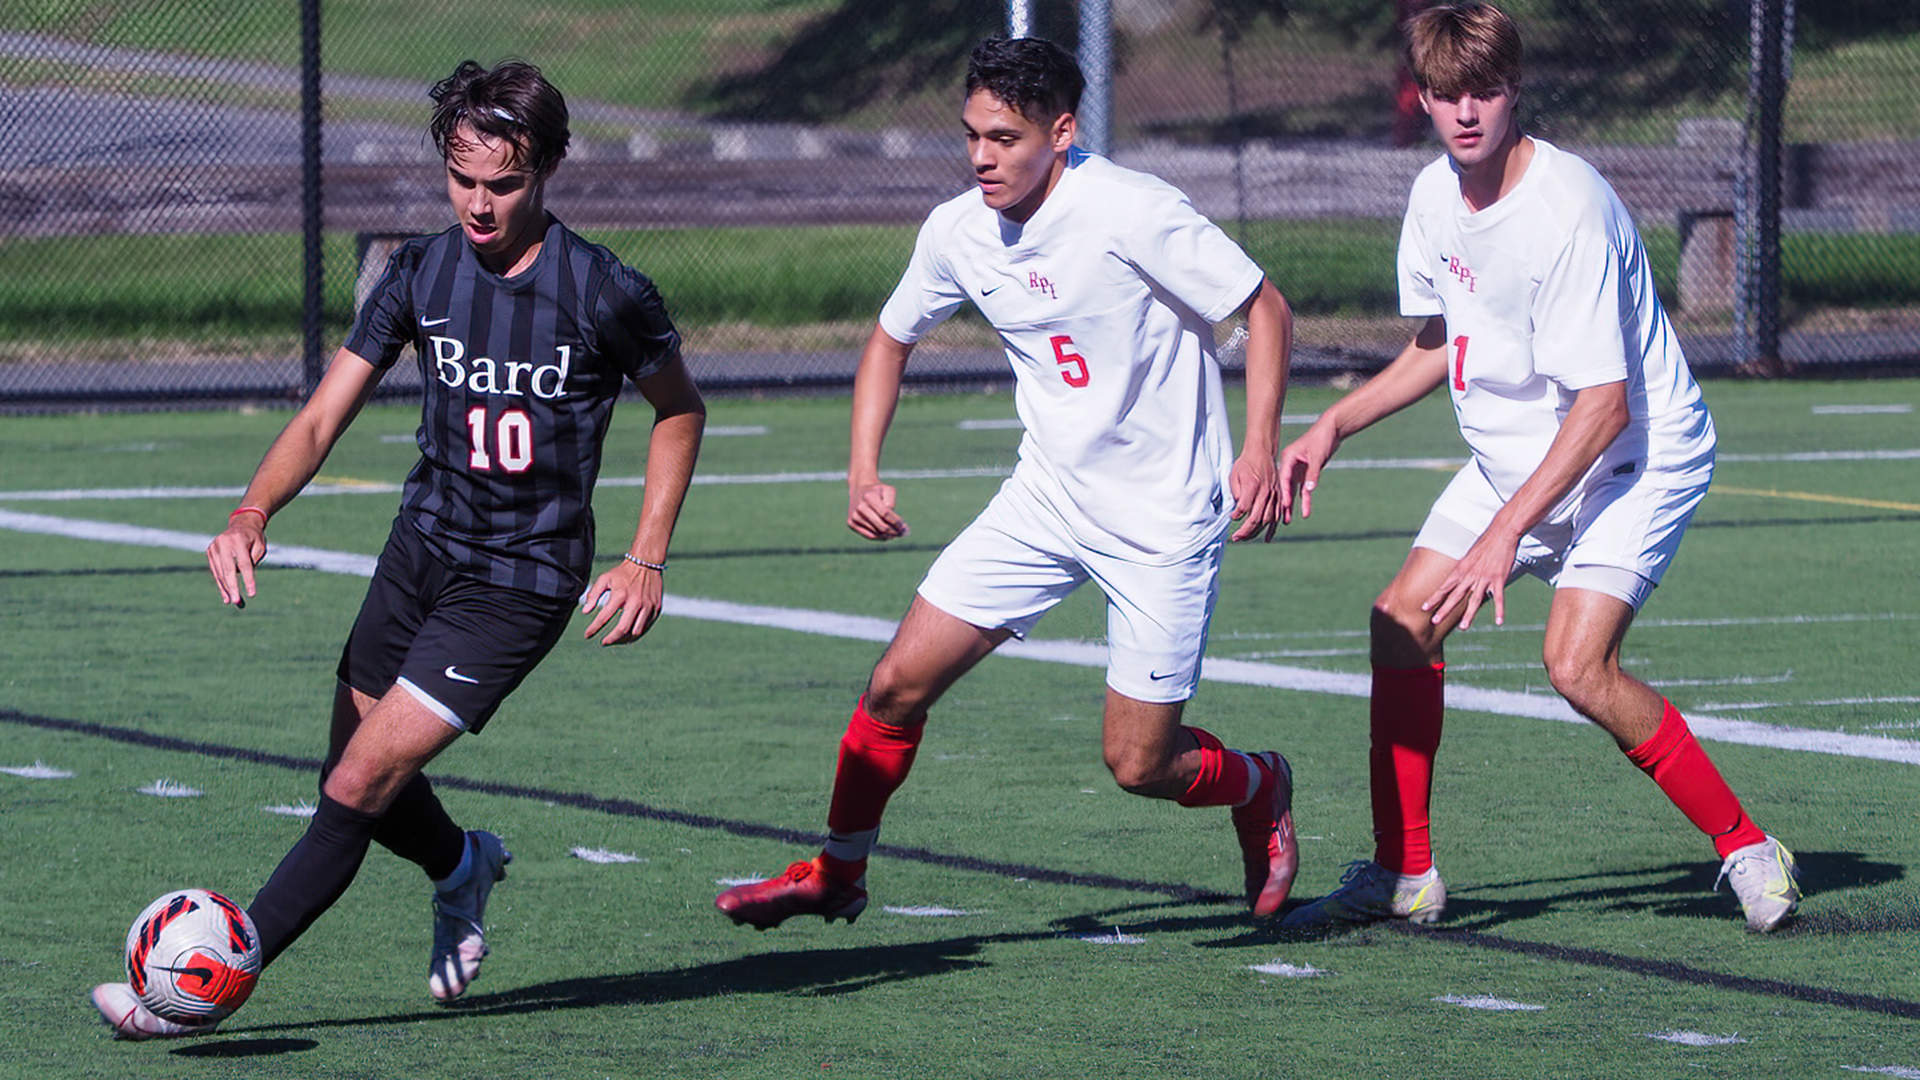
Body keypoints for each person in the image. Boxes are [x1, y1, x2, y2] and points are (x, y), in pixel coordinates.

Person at [91, 59, 706, 1039]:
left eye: (503, 184)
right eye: (462, 180)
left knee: (356, 786)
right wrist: (251, 512)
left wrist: (646, 556)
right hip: (419, 550)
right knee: (356, 770)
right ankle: (463, 867)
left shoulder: (604, 290)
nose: (479, 204)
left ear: (546, 170)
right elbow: (321, 416)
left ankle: (203, 988)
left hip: (518, 580)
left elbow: (679, 410)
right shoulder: (419, 272)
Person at [715, 37, 1299, 932]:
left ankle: (1259, 785)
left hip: (1162, 519)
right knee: (894, 686)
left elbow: (1265, 308)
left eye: (1005, 138)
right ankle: (837, 873)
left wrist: (1257, 446)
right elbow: (890, 339)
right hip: (1045, 502)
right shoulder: (957, 230)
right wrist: (863, 469)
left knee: (1139, 765)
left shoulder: (1133, 210)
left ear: (1061, 133)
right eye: (971, 135)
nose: (981, 156)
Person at [1275, 2, 1801, 933]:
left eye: (1483, 91)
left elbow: (1605, 406)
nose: (1465, 111)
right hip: (1518, 452)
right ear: (1422, 98)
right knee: (1401, 622)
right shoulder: (1433, 198)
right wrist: (1333, 426)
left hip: (1635, 456)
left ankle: (1749, 847)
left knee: (1575, 664)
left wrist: (1501, 536)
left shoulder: (1568, 211)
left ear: (1515, 89)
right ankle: (1406, 873)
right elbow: (1440, 340)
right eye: (1445, 93)